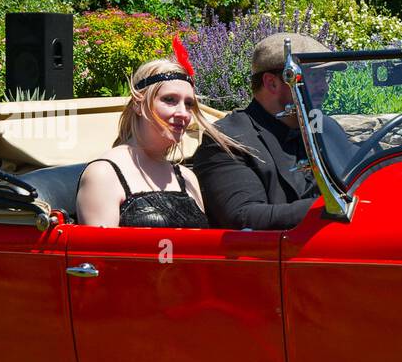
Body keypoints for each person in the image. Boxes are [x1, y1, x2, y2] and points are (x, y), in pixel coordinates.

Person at [192, 32, 347, 230]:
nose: (324, 86)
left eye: (325, 76)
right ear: (271, 83)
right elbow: (243, 216)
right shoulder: (228, 139)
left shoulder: (327, 128)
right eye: (312, 76)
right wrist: (333, 206)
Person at [75, 47, 220, 228]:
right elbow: (100, 254)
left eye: (189, 104)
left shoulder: (187, 177)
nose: (183, 113)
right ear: (138, 104)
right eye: (169, 100)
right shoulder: (104, 174)